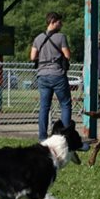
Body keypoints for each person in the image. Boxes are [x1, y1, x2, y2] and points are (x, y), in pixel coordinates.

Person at [30, 11, 72, 141]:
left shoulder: (38, 38)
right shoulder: (61, 37)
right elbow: (67, 55)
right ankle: (64, 136)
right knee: (65, 104)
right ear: (53, 21)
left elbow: (32, 57)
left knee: (44, 107)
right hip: (57, 74)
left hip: (42, 75)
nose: (61, 24)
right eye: (59, 22)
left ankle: (42, 137)